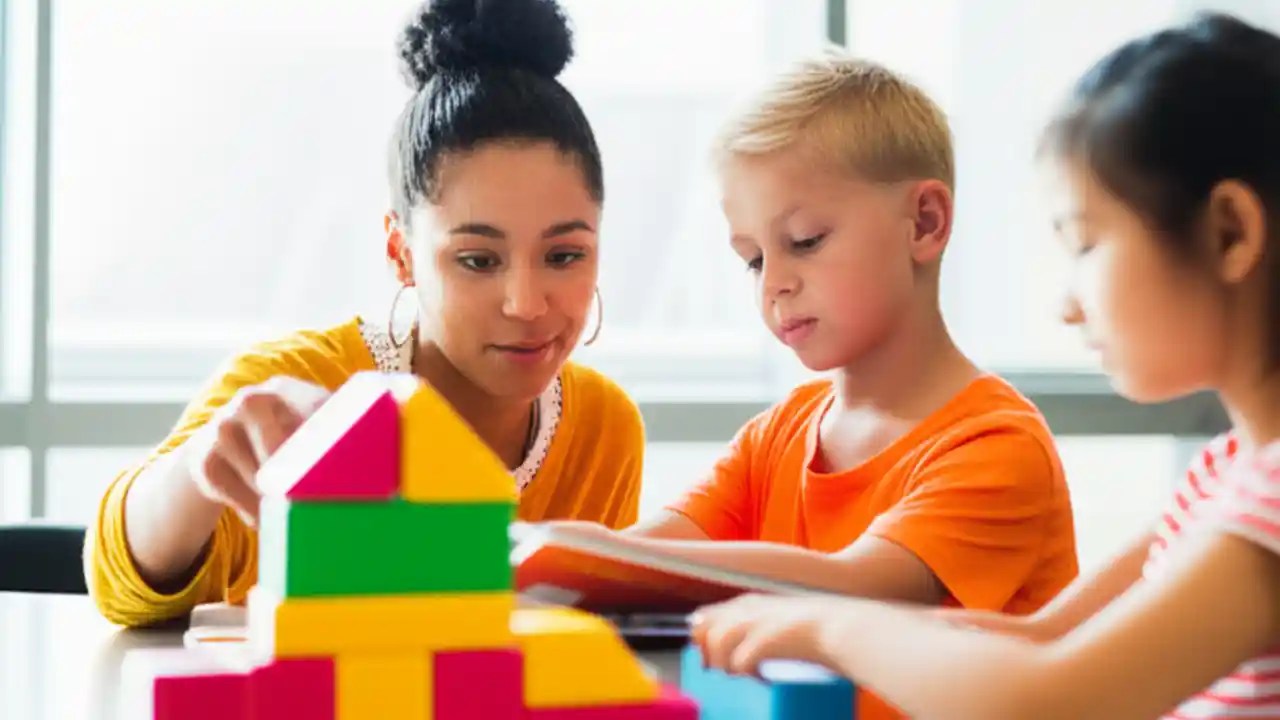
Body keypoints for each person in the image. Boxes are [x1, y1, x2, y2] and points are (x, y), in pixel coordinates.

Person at [692, 13, 1280, 720]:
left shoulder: (1269, 501)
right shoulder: (1223, 476)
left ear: (1230, 233)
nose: (1069, 305)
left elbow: (1054, 696)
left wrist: (833, 625)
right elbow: (1033, 641)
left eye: (1087, 246)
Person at [548, 49, 1078, 720]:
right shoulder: (775, 437)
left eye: (803, 241)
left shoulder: (996, 447)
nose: (774, 284)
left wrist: (571, 558)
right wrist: (528, 556)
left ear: (925, 223)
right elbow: (648, 557)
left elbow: (864, 587)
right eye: (753, 261)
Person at [85, 0, 644, 628]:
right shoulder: (302, 387)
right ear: (401, 254)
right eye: (478, 260)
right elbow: (121, 587)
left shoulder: (604, 430)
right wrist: (196, 468)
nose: (526, 304)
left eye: (564, 254)